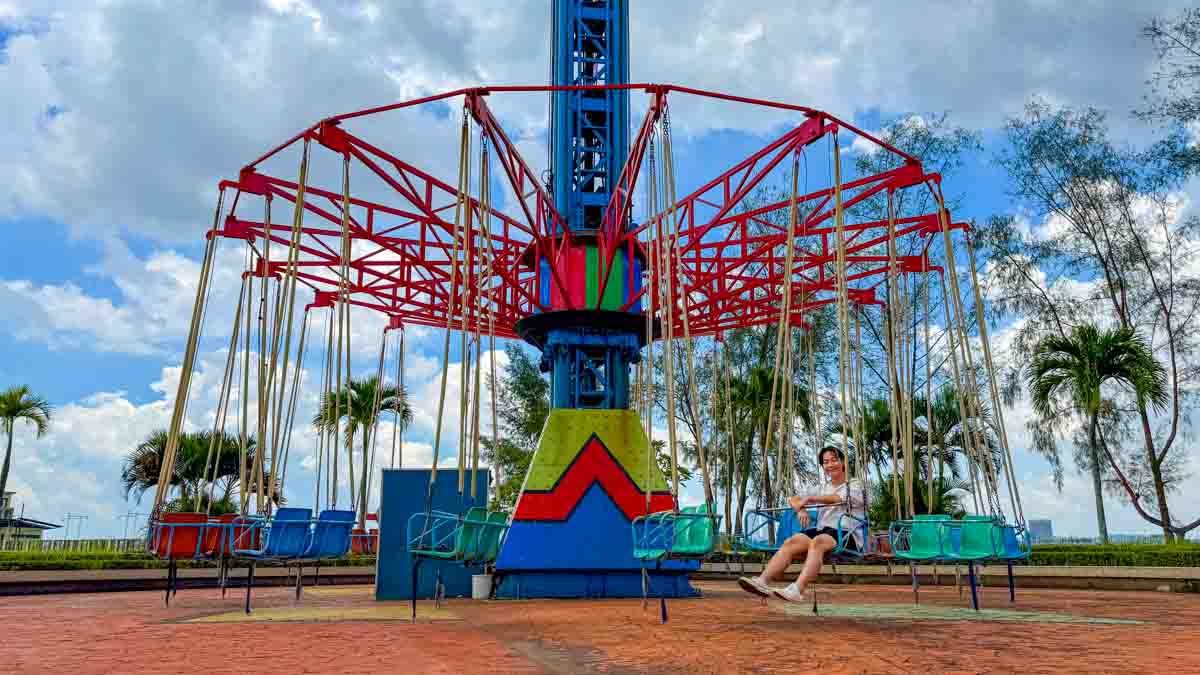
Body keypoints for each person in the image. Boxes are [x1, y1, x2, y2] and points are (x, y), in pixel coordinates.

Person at [738, 445, 866, 602]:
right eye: (826, 462)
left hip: (847, 533)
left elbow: (836, 499)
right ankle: (762, 582)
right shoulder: (821, 487)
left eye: (834, 460)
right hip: (823, 530)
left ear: (843, 462)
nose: (830, 465)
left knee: (817, 542)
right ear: (823, 466)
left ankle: (797, 589)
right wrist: (801, 510)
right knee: (792, 542)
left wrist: (811, 499)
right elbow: (793, 499)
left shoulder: (854, 484)